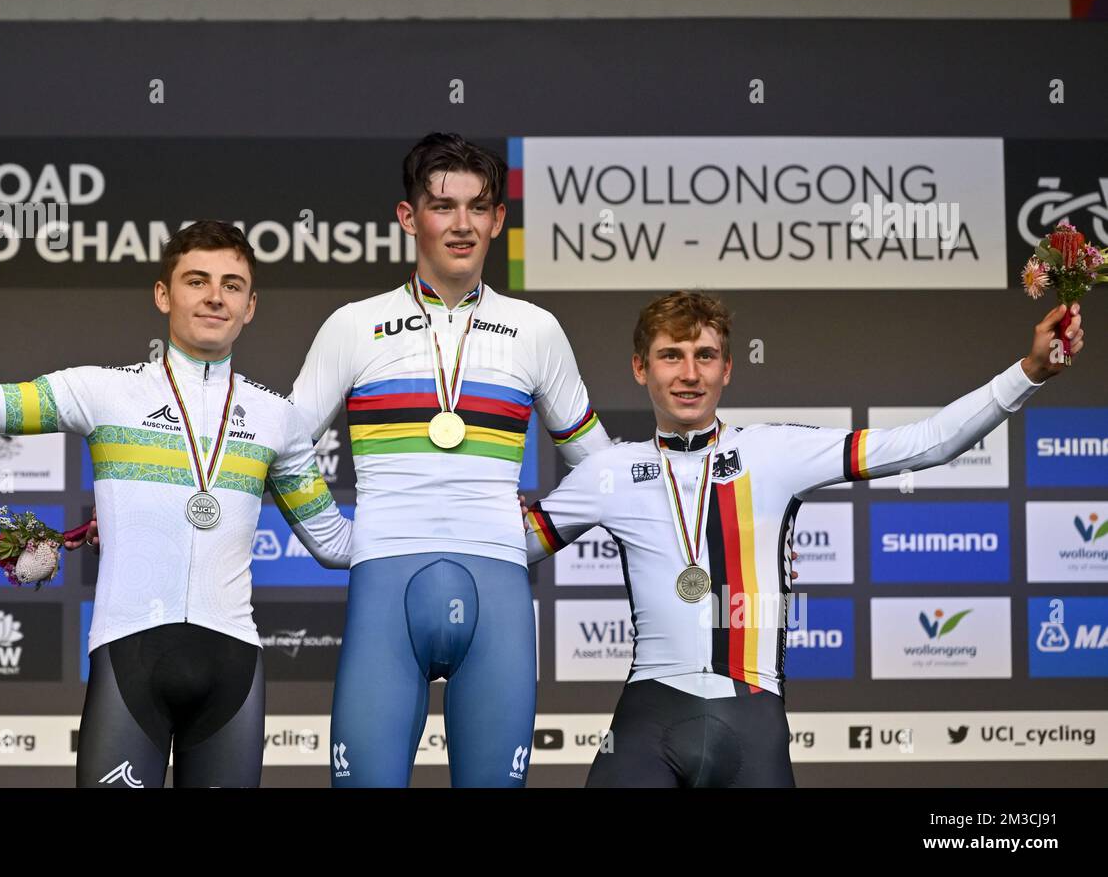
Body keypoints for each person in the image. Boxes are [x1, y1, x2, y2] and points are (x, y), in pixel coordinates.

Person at [0, 220, 352, 788]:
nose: (213, 296)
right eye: (196, 280)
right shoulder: (102, 392)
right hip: (130, 661)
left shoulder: (278, 418)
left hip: (233, 669)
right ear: (162, 294)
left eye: (231, 285)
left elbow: (333, 542)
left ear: (250, 306)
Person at [523, 290, 1084, 787]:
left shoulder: (775, 451)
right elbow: (506, 550)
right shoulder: (609, 472)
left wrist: (1028, 371)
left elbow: (926, 444)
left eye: (705, 356)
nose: (689, 373)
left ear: (728, 370)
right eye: (672, 355)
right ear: (640, 369)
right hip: (649, 717)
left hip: (752, 717)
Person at [294, 132, 611, 787]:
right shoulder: (355, 324)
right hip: (384, 580)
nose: (461, 225)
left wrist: (532, 538)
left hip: (497, 581)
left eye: (478, 207)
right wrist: (332, 539)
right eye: (443, 206)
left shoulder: (535, 329)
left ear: (498, 218)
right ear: (409, 218)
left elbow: (601, 470)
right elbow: (281, 441)